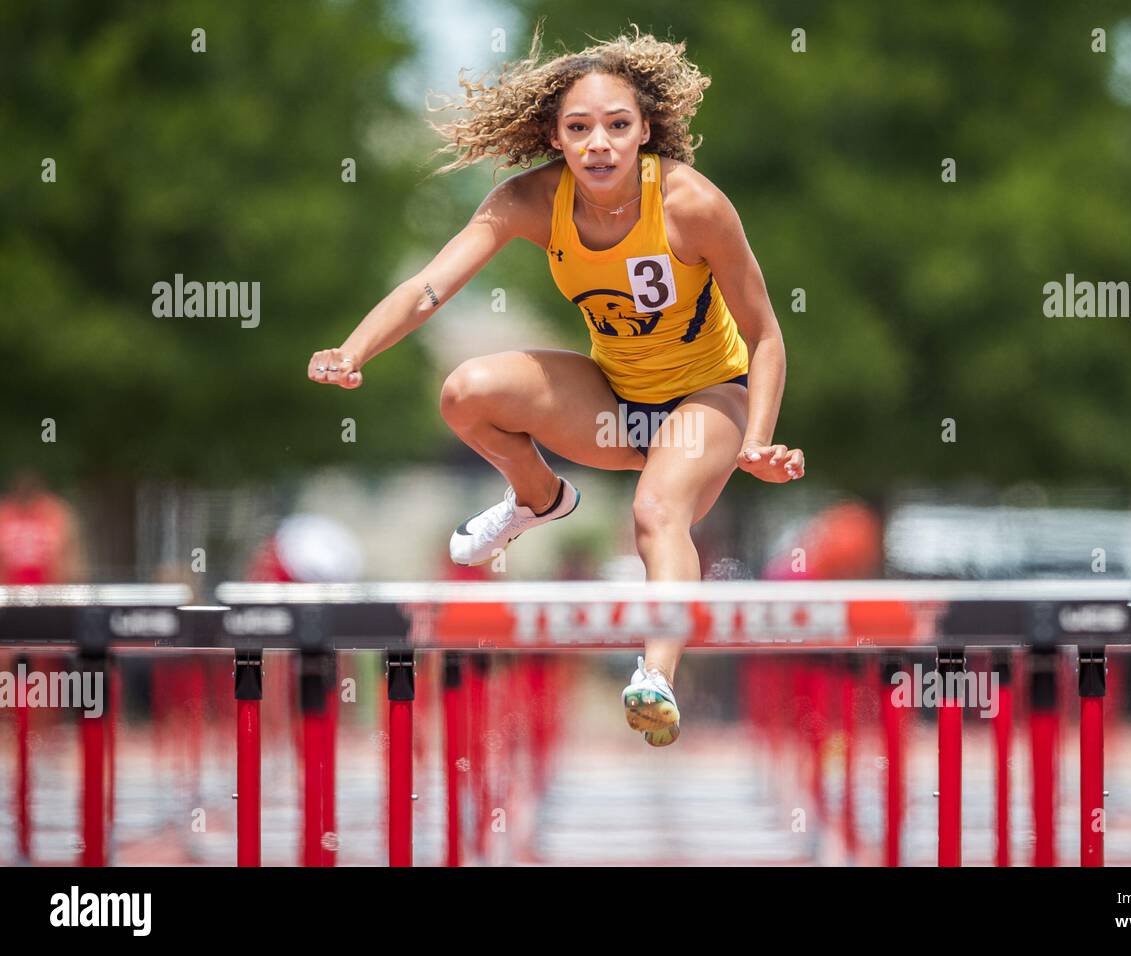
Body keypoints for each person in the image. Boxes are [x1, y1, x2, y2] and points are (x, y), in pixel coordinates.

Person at [307, 27, 804, 746]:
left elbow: (765, 334)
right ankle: (538, 496)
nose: (599, 143)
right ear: (556, 136)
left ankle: (656, 675)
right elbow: (427, 288)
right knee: (466, 391)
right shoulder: (528, 202)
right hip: (612, 400)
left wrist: (757, 440)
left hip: (706, 400)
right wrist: (352, 350)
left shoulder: (692, 204)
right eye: (580, 128)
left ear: (645, 132)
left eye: (617, 126)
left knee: (657, 512)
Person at [0, 470, 83, 584]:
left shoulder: (55, 512)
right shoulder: (5, 513)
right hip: (8, 591)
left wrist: (71, 582)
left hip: (51, 590)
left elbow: (71, 552)